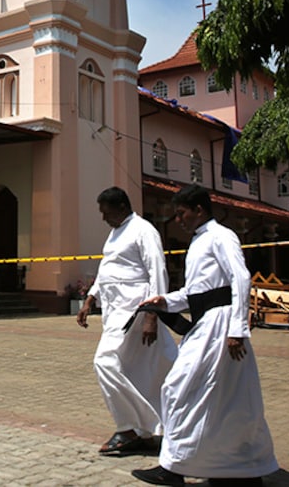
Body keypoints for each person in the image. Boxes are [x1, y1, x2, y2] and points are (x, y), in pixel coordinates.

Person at [131, 184, 277, 487]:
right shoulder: (199, 242)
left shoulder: (221, 236)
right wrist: (165, 302)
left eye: (182, 213)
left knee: (181, 389)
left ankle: (185, 467)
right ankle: (227, 469)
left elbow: (240, 278)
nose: (179, 220)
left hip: (221, 327)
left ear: (199, 210)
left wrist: (237, 329)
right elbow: (197, 293)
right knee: (220, 397)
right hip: (207, 323)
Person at [77, 186, 178, 455]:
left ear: (121, 207)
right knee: (137, 371)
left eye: (105, 212)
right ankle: (147, 430)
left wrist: (152, 316)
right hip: (114, 311)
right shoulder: (114, 234)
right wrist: (90, 298)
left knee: (105, 362)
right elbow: (107, 269)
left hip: (135, 310)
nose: (103, 218)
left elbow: (158, 273)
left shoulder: (144, 230)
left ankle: (128, 428)